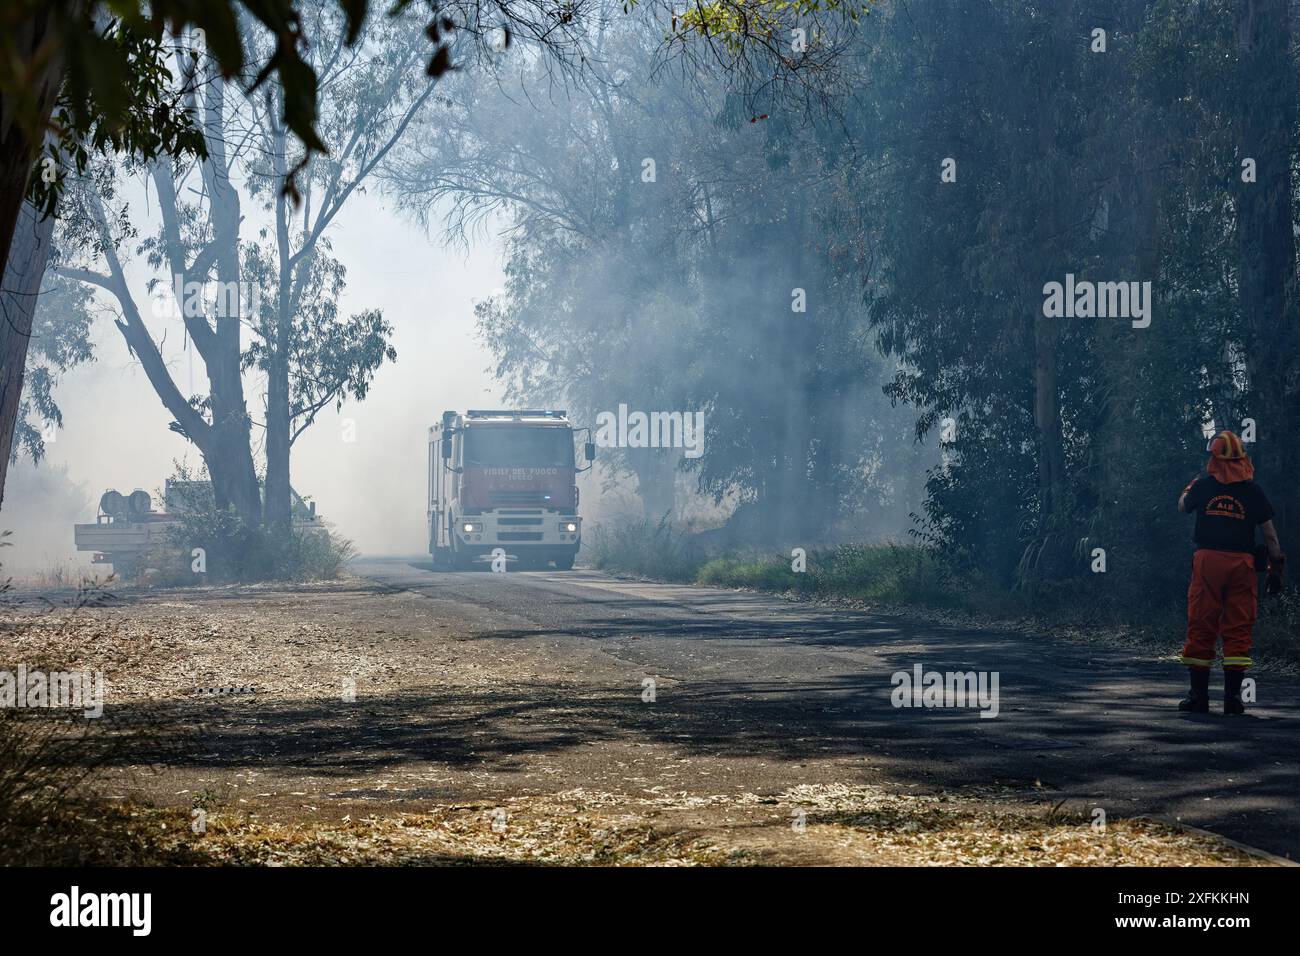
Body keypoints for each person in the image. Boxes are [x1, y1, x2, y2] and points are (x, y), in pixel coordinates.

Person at [1177, 430, 1285, 715]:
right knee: (1238, 628)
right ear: (1243, 458)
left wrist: (1189, 489)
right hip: (1242, 566)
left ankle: (1198, 698)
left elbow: (1182, 506)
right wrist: (1276, 568)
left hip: (1208, 562)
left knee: (1201, 623)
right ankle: (1233, 699)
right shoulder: (1253, 491)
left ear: (1214, 457)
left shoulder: (1202, 486)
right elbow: (1270, 536)